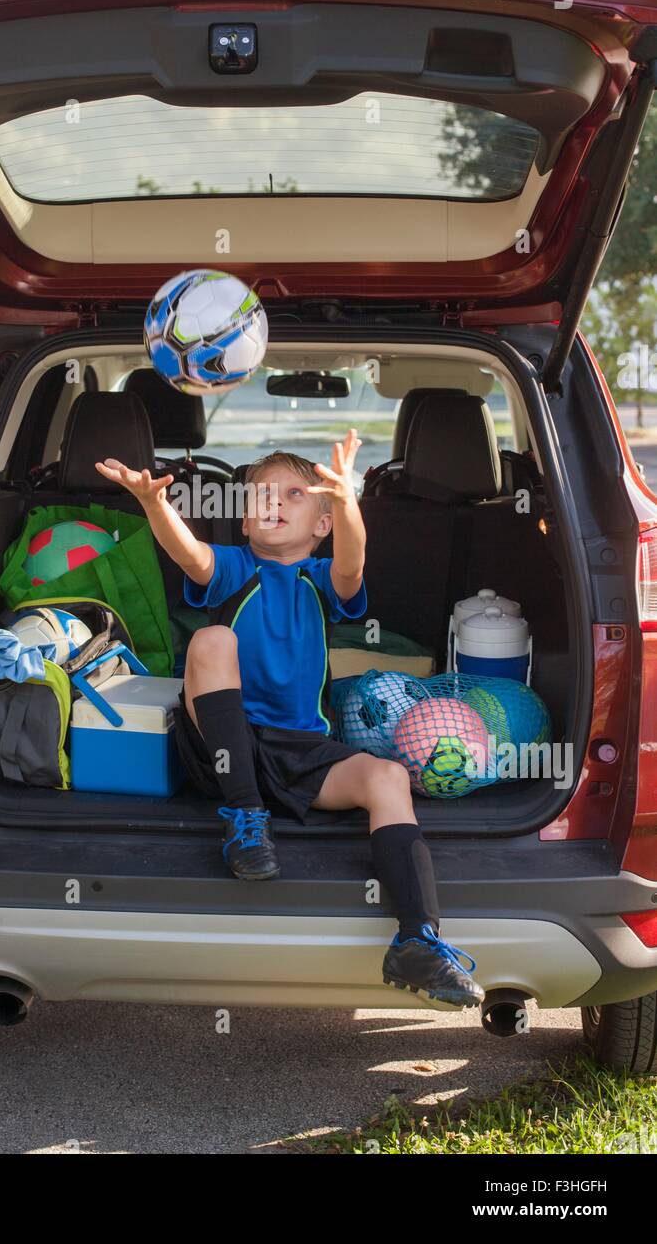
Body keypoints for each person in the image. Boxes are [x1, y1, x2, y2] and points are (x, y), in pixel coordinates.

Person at [95, 431, 483, 1007]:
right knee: (211, 639)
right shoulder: (233, 568)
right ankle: (246, 819)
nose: (273, 503)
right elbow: (191, 556)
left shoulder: (323, 579)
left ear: (321, 524)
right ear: (245, 523)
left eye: (293, 494)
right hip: (228, 751)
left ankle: (418, 939)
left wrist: (348, 500)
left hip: (303, 752)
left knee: (388, 778)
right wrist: (154, 504)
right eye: (260, 496)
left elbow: (352, 566)